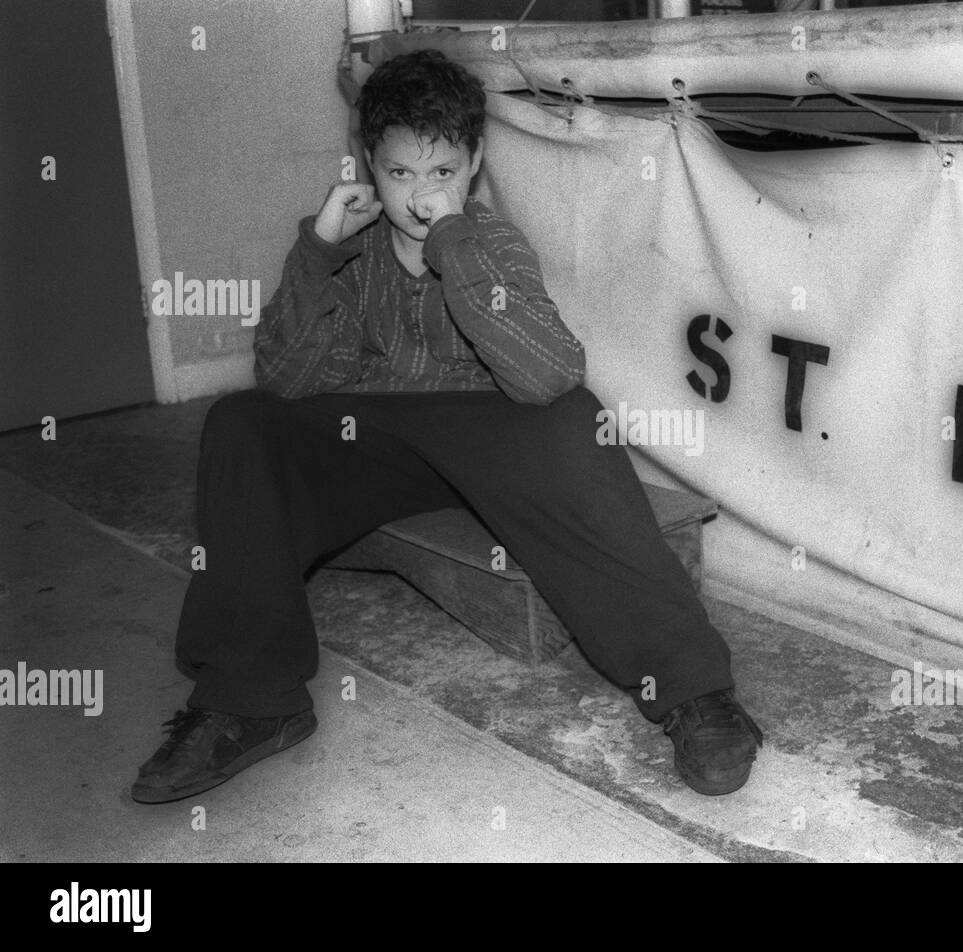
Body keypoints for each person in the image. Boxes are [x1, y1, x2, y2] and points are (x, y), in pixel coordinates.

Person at [131, 49, 762, 804]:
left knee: (571, 417)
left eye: (442, 175)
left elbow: (546, 374)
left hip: (486, 432)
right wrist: (316, 251)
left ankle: (695, 691)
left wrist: (453, 243)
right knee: (242, 421)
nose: (422, 198)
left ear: (474, 163)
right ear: (369, 163)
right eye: (400, 174)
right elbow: (290, 380)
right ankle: (249, 701)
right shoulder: (349, 255)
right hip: (377, 443)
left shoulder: (489, 246)